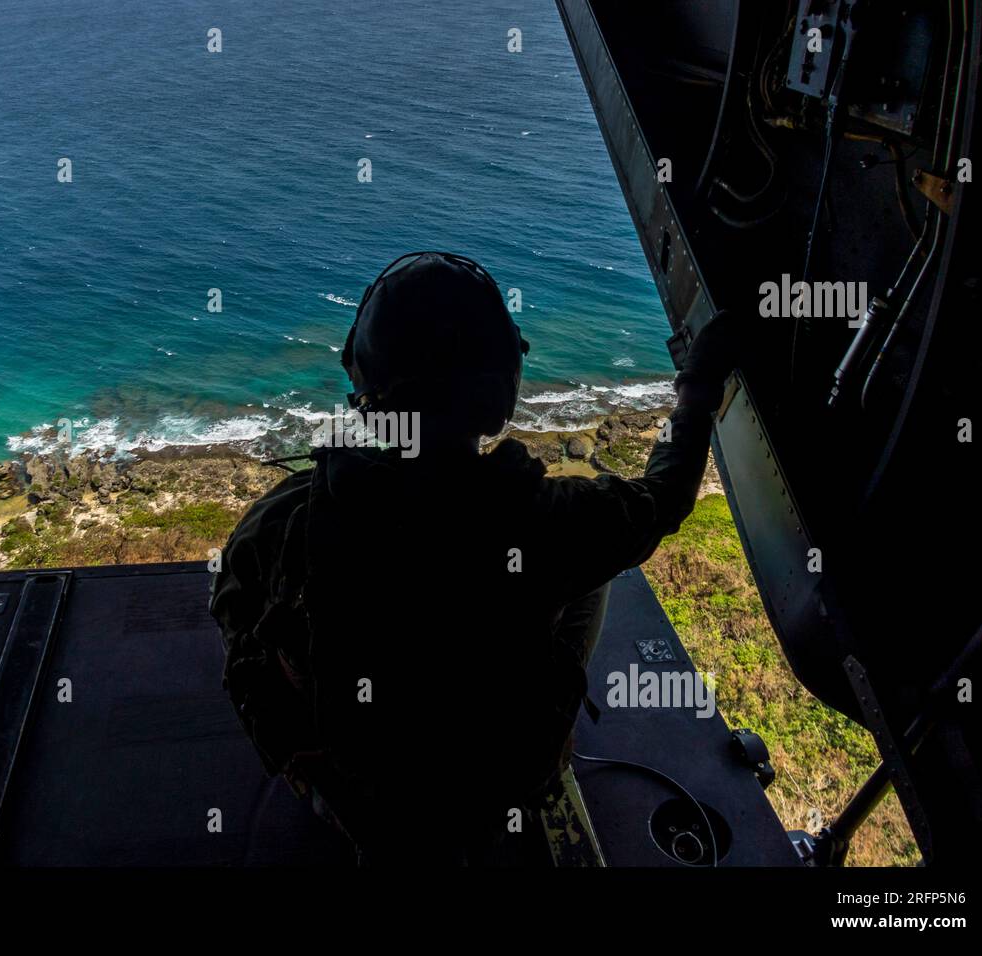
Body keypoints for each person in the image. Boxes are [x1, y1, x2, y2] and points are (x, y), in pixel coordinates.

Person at [209, 251, 737, 863]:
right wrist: (696, 389)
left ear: (366, 390)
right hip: (494, 787)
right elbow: (662, 500)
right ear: (499, 394)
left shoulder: (292, 515)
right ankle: (541, 750)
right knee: (591, 582)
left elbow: (232, 611)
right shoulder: (543, 521)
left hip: (356, 801)